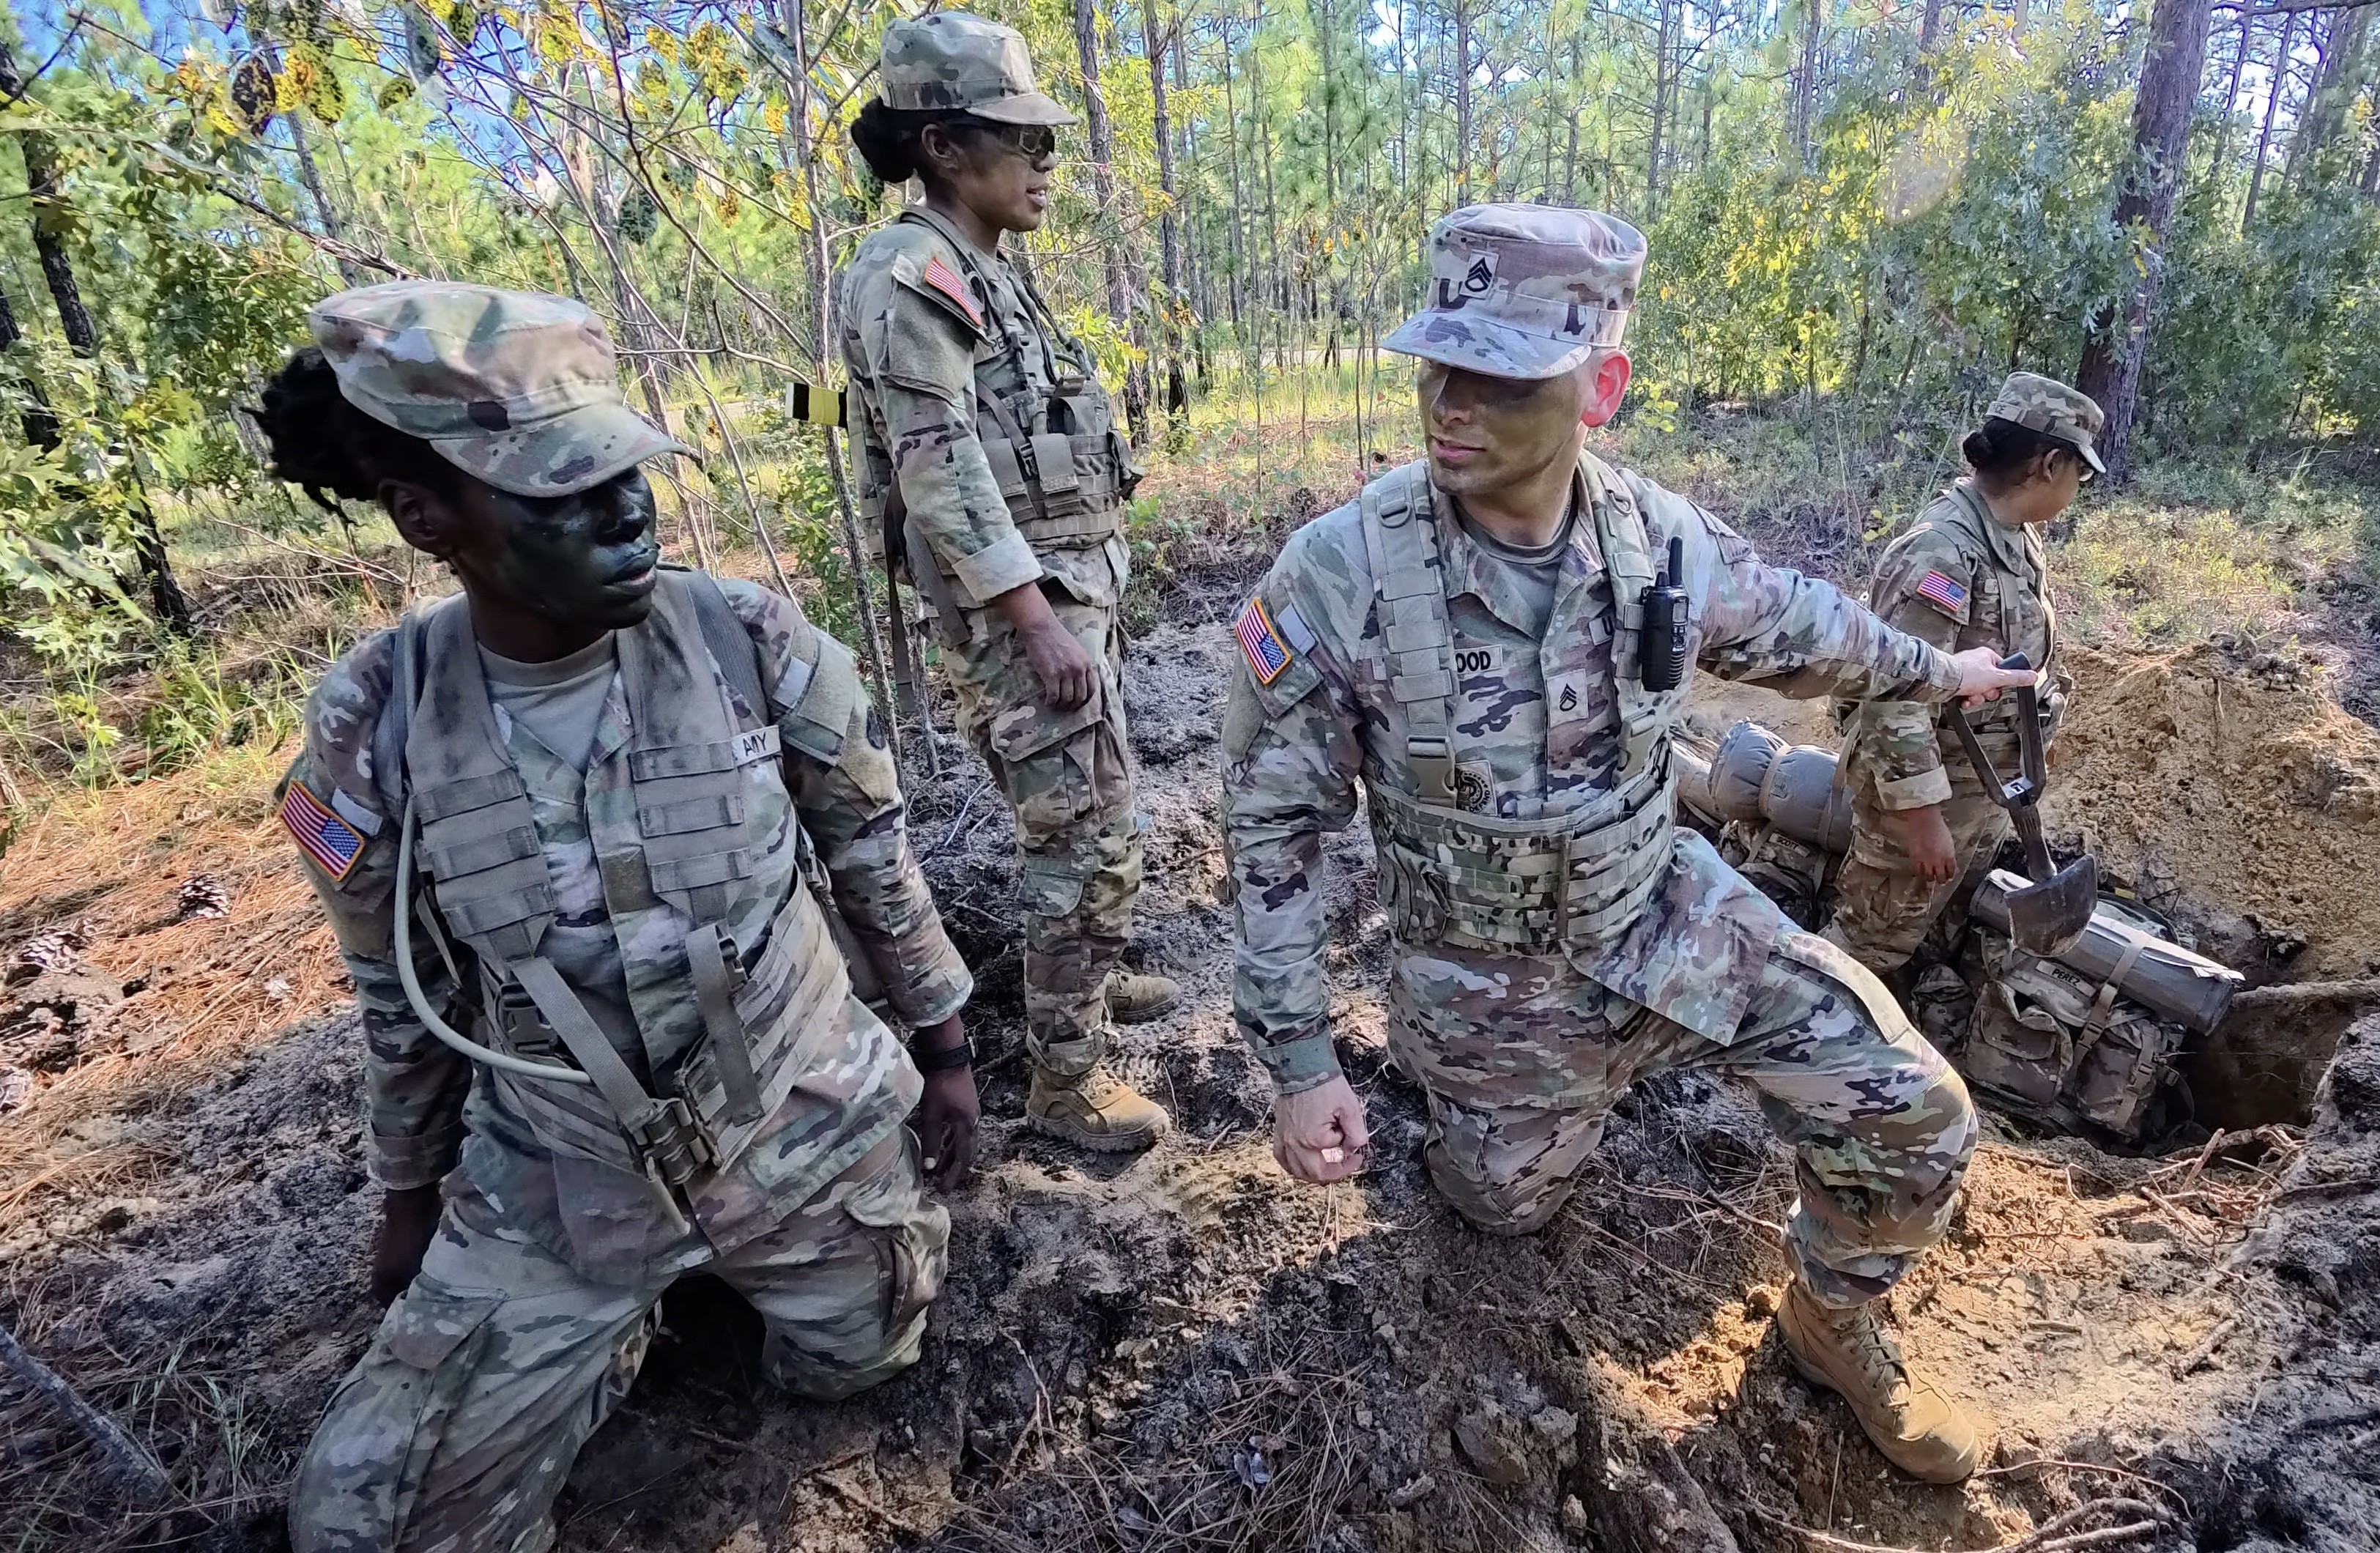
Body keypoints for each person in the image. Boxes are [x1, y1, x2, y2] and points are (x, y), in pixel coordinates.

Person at [1218, 205, 2039, 1485]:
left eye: (1500, 376)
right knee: (1502, 1211)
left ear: (1598, 387)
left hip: (1666, 919)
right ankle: (1483, 1125)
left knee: (1916, 1115)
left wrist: (1945, 666)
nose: (1451, 403)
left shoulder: (1657, 538)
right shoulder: (1338, 574)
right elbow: (1274, 825)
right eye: (1440, 364)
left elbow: (1805, 623)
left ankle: (1832, 1325)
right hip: (1485, 989)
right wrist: (1297, 1058)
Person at [262, 282, 974, 1552]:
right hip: (556, 1172)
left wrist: (946, 1053)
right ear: (430, 521)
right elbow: (397, 995)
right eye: (558, 493)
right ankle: (627, 1301)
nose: (626, 510)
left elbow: (873, 859)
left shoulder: (747, 638)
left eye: (624, 471)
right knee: (368, 1527)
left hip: (797, 1121)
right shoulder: (379, 717)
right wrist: (410, 1200)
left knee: (867, 1359)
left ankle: (722, 1283)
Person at [836, 11, 1172, 1153]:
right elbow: (938, 463)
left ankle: (1084, 977)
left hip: (1069, 591)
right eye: (1020, 141)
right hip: (1025, 613)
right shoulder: (912, 272)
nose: (1044, 165)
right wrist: (1033, 621)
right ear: (942, 147)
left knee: (1094, 818)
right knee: (1081, 839)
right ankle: (1067, 1083)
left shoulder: (985, 268)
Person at [1832, 374, 2097, 980]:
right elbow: (1889, 695)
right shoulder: (1942, 554)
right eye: (2079, 475)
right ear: (2050, 464)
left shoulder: (2010, 538)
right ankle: (1794, 1056)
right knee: (1868, 944)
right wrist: (1920, 822)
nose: (2077, 490)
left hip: (1980, 784)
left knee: (1923, 927)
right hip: (1928, 794)